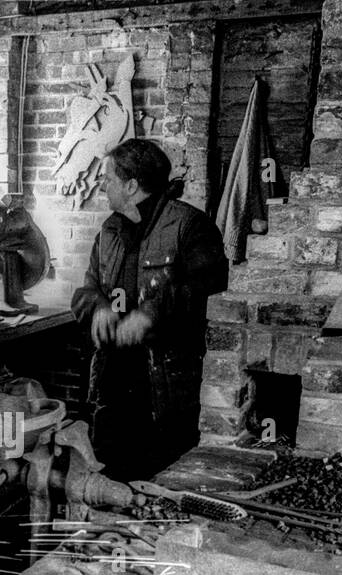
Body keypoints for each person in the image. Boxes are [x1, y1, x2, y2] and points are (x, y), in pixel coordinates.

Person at [71, 139, 229, 481]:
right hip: (112, 383)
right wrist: (98, 308)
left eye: (108, 178)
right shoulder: (109, 230)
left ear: (131, 186)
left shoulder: (190, 226)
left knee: (162, 475)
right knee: (110, 473)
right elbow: (87, 289)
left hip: (165, 389)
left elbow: (209, 286)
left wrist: (151, 314)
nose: (102, 185)